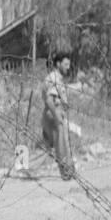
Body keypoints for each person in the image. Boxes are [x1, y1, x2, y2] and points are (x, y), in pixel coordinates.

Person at [41, 51, 75, 179]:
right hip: (54, 112)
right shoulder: (53, 78)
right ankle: (66, 171)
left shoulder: (58, 78)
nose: (68, 67)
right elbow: (49, 99)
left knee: (60, 143)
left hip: (57, 112)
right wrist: (57, 116)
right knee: (60, 144)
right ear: (58, 64)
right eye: (66, 64)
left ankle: (67, 170)